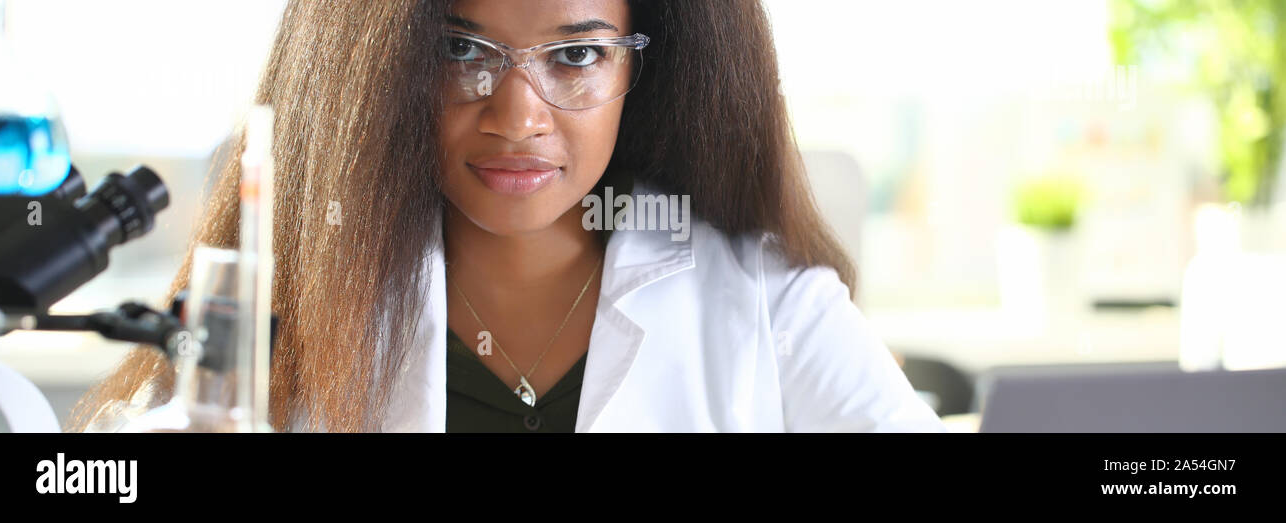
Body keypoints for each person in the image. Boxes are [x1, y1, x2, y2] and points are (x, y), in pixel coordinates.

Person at [68, 0, 946, 433]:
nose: (518, 116)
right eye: (462, 51)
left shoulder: (766, 298)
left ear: (645, 68)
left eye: (574, 55)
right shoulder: (291, 282)